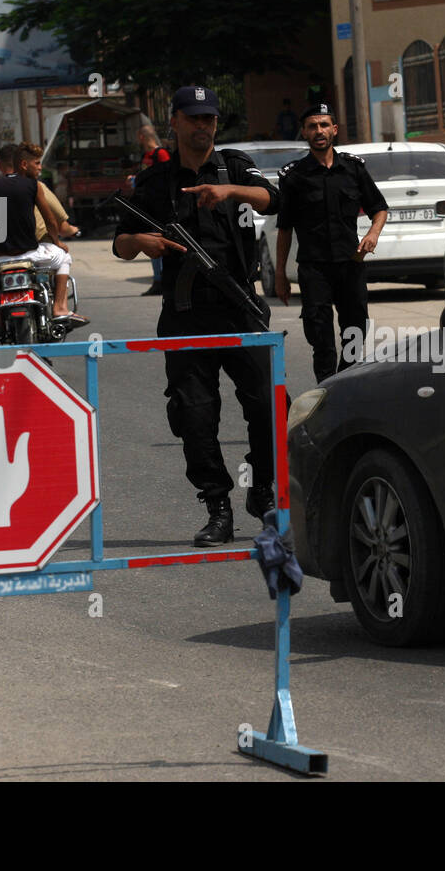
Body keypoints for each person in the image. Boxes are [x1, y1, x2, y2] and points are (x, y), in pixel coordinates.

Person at [113, 85, 282, 546]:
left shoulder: (233, 166)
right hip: (185, 313)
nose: (203, 126)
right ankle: (218, 505)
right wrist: (141, 243)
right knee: (195, 415)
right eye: (194, 118)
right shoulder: (154, 183)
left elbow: (272, 199)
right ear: (176, 122)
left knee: (271, 404)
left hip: (240, 306)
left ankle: (263, 490)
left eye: (209, 118)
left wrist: (229, 191)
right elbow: (121, 243)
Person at [275, 102, 388, 383]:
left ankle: (346, 384)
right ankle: (326, 391)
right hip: (314, 269)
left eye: (324, 125)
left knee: (355, 332)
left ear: (334, 130)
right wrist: (280, 274)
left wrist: (373, 234)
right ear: (304, 132)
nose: (319, 131)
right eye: (312, 126)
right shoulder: (294, 176)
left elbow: (379, 208)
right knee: (320, 338)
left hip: (351, 264)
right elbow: (285, 229)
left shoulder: (353, 168)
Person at [0, 143, 88, 340]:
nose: (40, 168)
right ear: (24, 164)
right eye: (37, 163)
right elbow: (50, 220)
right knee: (64, 257)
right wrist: (57, 242)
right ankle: (60, 307)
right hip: (31, 254)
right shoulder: (34, 186)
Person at [138, 123, 171, 296]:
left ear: (142, 137)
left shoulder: (161, 154)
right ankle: (157, 279)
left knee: (160, 241)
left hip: (160, 205)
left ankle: (163, 279)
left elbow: (168, 178)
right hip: (148, 204)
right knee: (151, 241)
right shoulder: (146, 156)